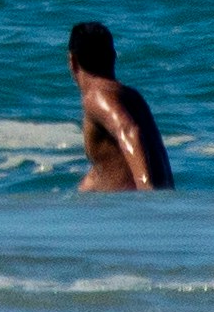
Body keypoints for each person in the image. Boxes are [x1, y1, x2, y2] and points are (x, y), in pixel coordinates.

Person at [70, 21, 173, 191]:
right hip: (142, 208)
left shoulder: (97, 96)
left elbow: (129, 131)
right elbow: (110, 164)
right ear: (113, 56)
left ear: (72, 61)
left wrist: (149, 197)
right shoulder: (132, 97)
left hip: (135, 212)